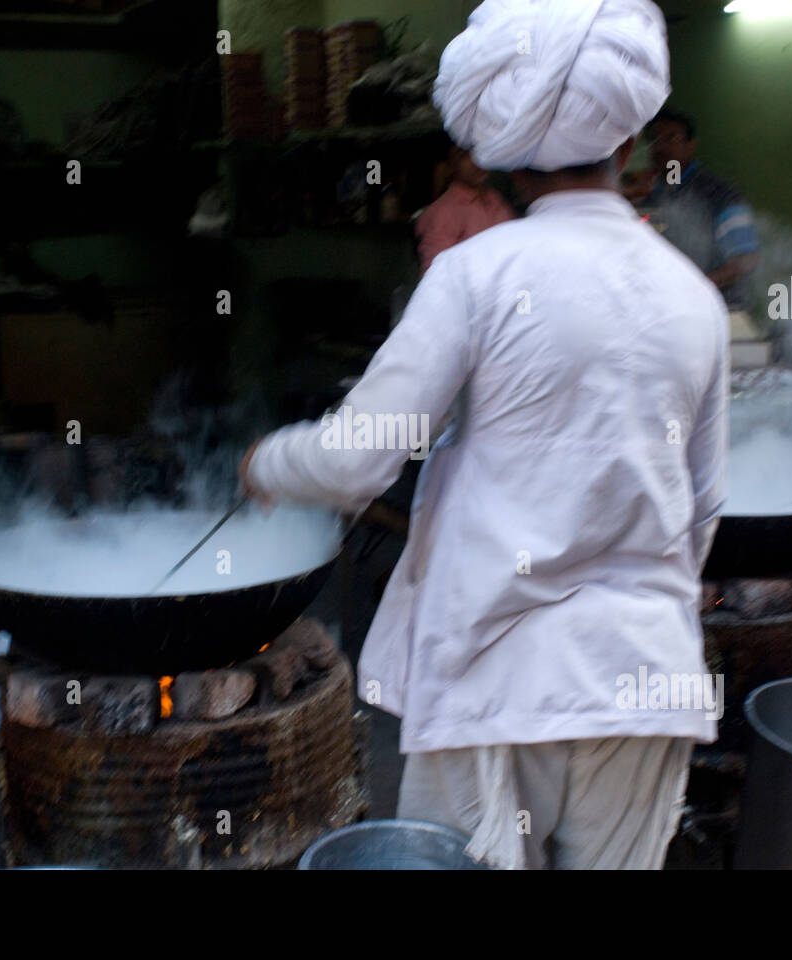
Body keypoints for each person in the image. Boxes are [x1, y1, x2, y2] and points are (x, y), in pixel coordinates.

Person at [240, 0, 727, 869]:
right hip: (645, 678)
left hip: (497, 673)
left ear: (498, 155)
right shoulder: (695, 293)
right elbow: (702, 510)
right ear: (627, 145)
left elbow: (358, 459)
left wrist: (268, 463)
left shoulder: (475, 274)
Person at [640, 108, 758, 317]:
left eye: (672, 138)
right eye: (655, 139)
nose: (661, 146)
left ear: (690, 146)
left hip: (722, 314)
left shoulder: (719, 193)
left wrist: (694, 289)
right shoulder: (650, 197)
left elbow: (745, 260)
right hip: (666, 315)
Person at [415, 145, 514, 276]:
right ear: (450, 166)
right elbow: (437, 275)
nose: (476, 161)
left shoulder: (496, 200)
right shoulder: (442, 212)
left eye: (480, 152)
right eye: (465, 156)